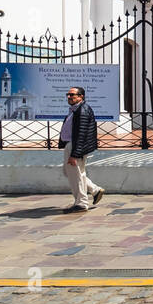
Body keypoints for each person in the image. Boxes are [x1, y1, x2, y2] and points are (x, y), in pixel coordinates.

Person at [59, 85, 102, 213]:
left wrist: (75, 154)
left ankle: (81, 203)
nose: (69, 97)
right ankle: (95, 190)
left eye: (72, 95)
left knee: (76, 174)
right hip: (71, 145)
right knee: (70, 172)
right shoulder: (75, 110)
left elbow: (81, 134)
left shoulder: (82, 110)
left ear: (81, 96)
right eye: (68, 94)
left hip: (75, 146)